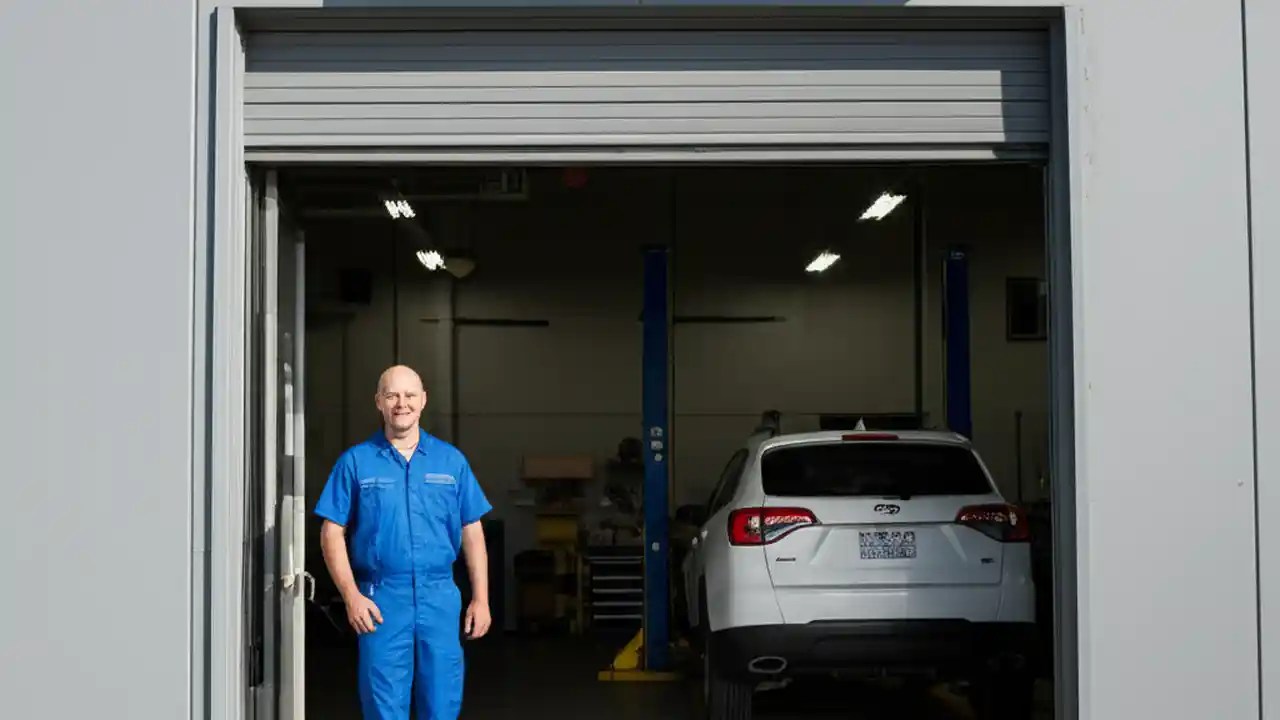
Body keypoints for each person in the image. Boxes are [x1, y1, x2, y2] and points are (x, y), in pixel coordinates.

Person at [315, 365, 492, 720]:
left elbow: (472, 530)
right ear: (378, 401)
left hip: (439, 596)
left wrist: (481, 599)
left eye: (410, 395)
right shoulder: (355, 462)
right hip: (381, 600)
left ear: (423, 401)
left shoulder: (450, 461)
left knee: (442, 702)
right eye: (392, 395)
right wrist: (351, 596)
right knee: (383, 705)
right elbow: (331, 532)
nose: (402, 404)